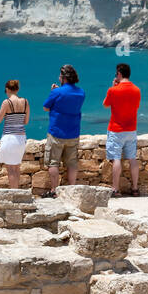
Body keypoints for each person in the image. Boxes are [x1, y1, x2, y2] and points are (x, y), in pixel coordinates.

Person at [43, 64, 85, 196]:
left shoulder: (56, 92)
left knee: (53, 163)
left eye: (60, 76)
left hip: (57, 133)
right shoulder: (81, 92)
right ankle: (71, 190)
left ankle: (54, 191)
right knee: (72, 163)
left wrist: (53, 91)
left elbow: (46, 107)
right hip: (73, 132)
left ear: (63, 78)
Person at [104, 61, 142, 197]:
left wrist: (113, 87)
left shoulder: (113, 90)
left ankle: (115, 188)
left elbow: (106, 104)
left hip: (116, 129)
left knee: (116, 158)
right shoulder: (137, 90)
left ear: (119, 74)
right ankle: (135, 188)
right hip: (131, 129)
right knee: (132, 159)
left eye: (116, 74)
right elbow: (136, 106)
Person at [0, 79, 29, 188]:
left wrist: (0, 113)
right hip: (21, 138)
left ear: (7, 89)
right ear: (17, 89)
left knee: (10, 168)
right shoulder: (25, 102)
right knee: (17, 167)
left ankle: (14, 193)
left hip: (10, 138)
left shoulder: (6, 102)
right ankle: (17, 191)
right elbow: (25, 121)